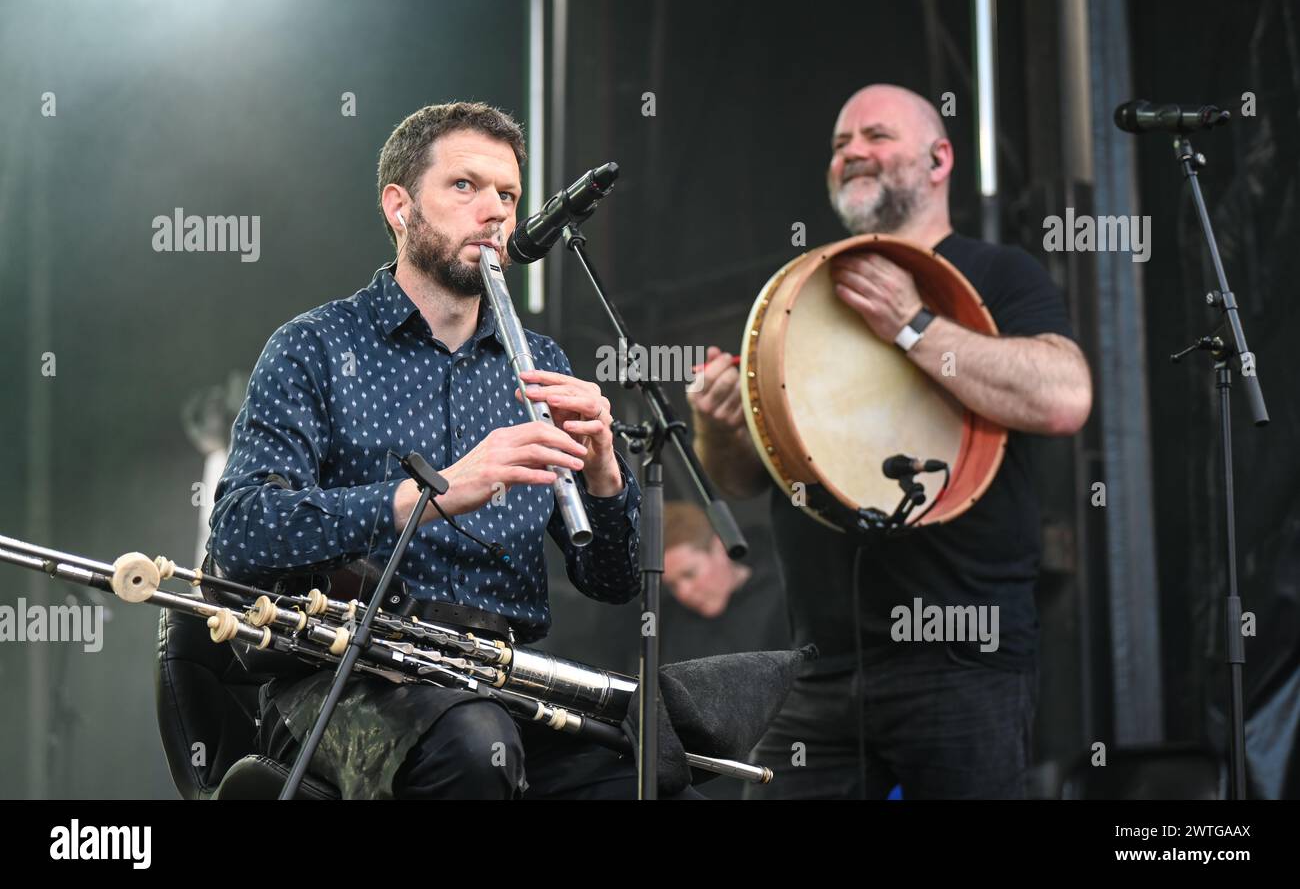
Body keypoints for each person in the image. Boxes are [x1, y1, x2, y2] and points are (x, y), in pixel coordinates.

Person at [210, 101, 698, 799]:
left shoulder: (539, 361)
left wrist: (603, 473)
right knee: (476, 748)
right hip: (346, 675)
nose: (495, 212)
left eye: (508, 195)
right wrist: (430, 494)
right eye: (465, 187)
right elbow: (243, 528)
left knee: (658, 779)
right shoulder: (315, 346)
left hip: (499, 677)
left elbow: (612, 580)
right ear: (399, 207)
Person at [687, 83, 1093, 799]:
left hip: (963, 658)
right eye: (840, 145)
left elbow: (1064, 397)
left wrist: (914, 326)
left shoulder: (998, 274)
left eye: (875, 137)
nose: (852, 154)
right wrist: (717, 427)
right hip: (818, 664)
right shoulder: (803, 292)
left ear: (940, 159)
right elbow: (748, 477)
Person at [660, 499, 790, 664]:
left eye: (690, 574)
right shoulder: (670, 625)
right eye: (672, 585)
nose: (683, 593)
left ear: (720, 546)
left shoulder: (786, 596)